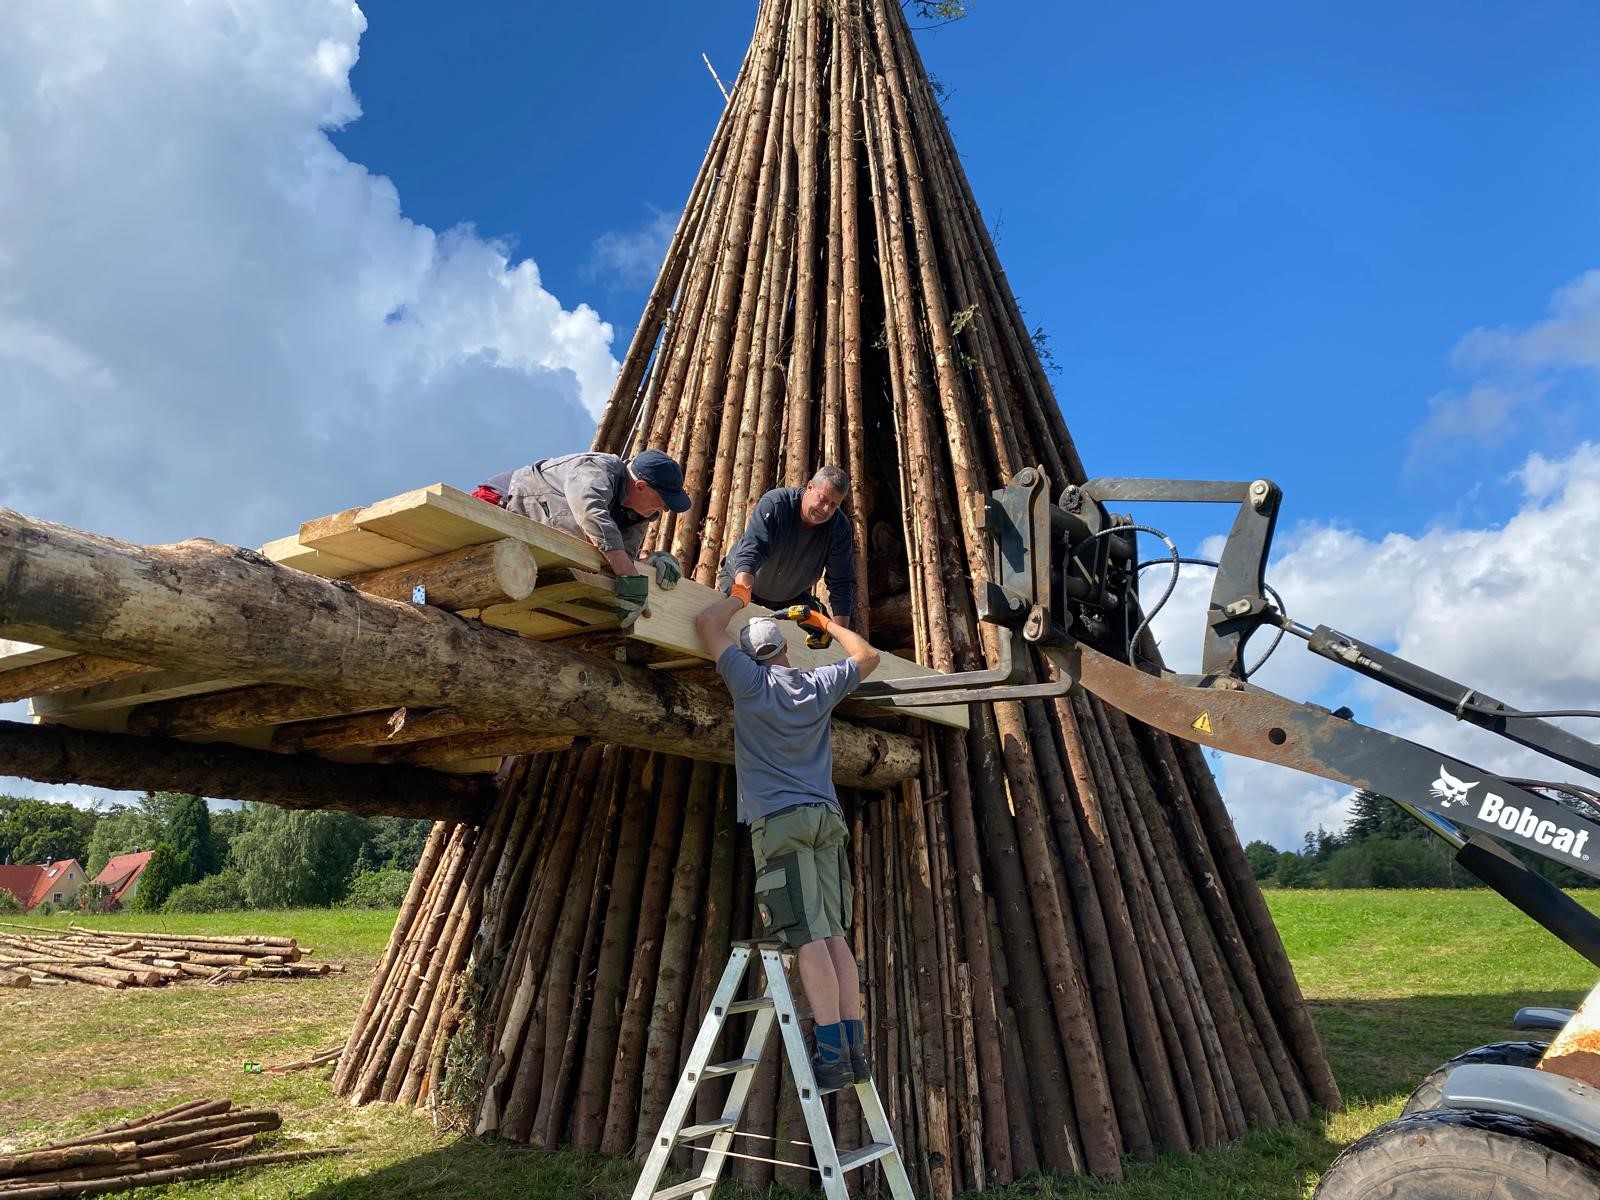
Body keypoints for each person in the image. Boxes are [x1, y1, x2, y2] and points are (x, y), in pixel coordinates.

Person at [694, 591, 881, 1091]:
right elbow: (868, 656)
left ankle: (830, 1053)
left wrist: (737, 598)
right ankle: (853, 1049)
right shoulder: (818, 684)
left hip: (779, 822)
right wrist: (823, 621)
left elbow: (705, 623)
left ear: (752, 655)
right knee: (834, 933)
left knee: (806, 936)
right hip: (825, 816)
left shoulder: (749, 683)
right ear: (784, 650)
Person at [475, 449, 690, 588]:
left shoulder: (638, 515)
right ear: (641, 487)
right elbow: (590, 512)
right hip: (500, 505)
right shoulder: (598, 468)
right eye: (664, 501)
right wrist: (631, 578)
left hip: (532, 553)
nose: (664, 509)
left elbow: (619, 560)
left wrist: (649, 566)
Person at [720, 465, 856, 627]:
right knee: (737, 629)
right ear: (810, 487)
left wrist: (841, 638)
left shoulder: (839, 528)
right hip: (742, 583)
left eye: (834, 505)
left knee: (821, 639)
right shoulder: (775, 504)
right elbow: (751, 553)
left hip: (793, 598)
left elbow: (840, 583)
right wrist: (740, 598)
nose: (826, 509)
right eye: (823, 499)